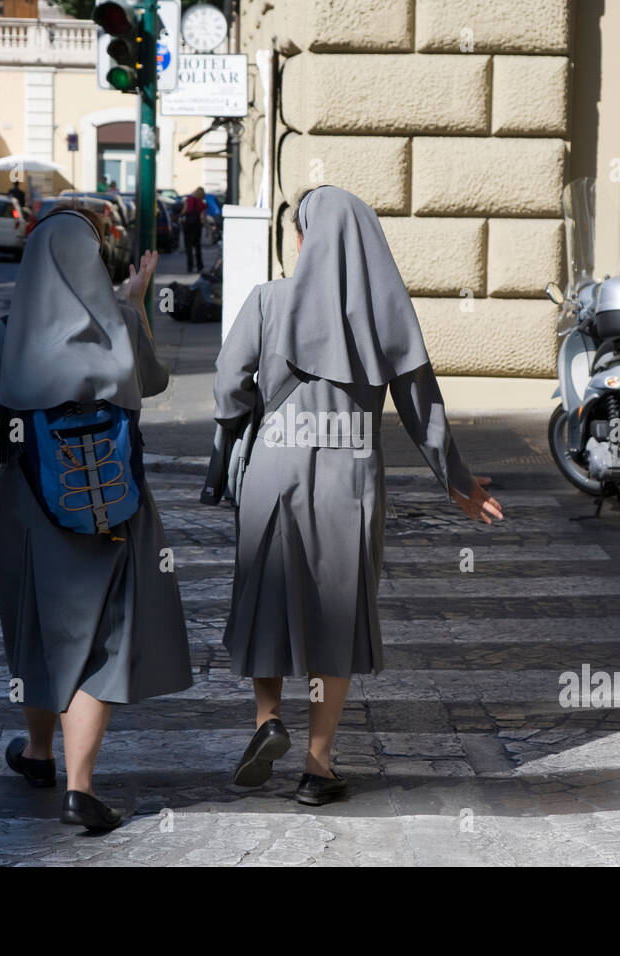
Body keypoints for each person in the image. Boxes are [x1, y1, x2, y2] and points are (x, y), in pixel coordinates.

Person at [0, 205, 193, 832]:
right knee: (98, 646)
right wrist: (136, 304)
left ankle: (39, 753)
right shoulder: (116, 325)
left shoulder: (2, 340)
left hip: (26, 509)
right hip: (114, 507)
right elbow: (154, 383)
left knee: (36, 627)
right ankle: (75, 783)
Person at [212, 185, 503, 806]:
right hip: (350, 479)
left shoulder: (266, 301)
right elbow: (423, 407)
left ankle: (267, 722)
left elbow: (227, 389)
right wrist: (457, 481)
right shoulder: (385, 313)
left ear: (306, 238)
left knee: (268, 595)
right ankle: (318, 767)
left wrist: (250, 413)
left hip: (274, 472)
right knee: (335, 618)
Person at [182, 186, 206, 273]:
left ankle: (190, 266)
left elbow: (184, 210)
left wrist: (181, 214)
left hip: (188, 224)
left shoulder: (188, 199)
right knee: (197, 246)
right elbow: (203, 216)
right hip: (197, 225)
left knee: (188, 246)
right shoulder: (202, 202)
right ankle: (199, 265)